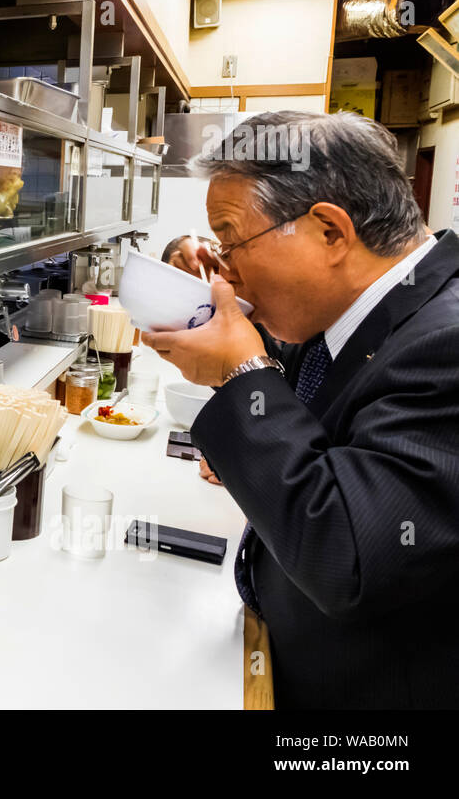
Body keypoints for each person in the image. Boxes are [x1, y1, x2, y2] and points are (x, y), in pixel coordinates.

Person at [141, 110, 459, 708]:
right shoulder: (355, 315)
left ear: (330, 232)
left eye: (232, 244)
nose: (226, 275)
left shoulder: (446, 346)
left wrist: (239, 372)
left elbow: (348, 553)